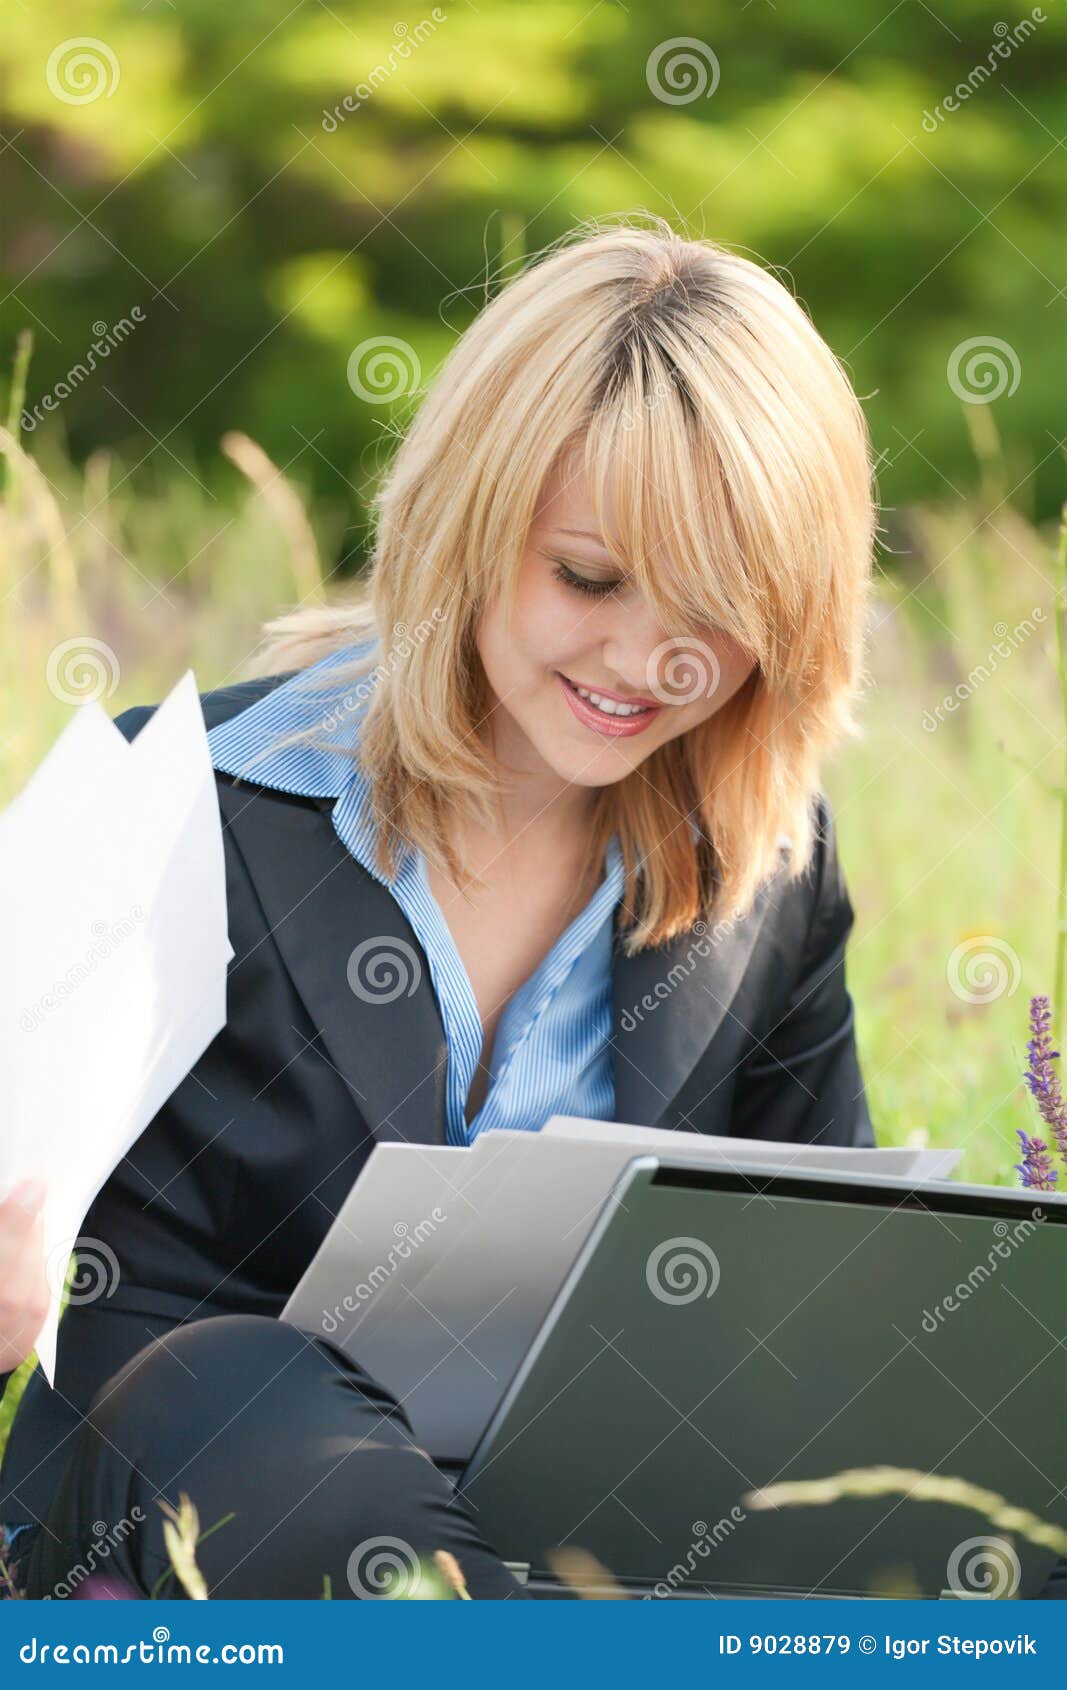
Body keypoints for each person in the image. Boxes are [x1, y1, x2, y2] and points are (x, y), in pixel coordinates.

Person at [0, 214, 906, 1599]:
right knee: (244, 1391)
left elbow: (818, 1296)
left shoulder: (767, 870)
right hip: (201, 1500)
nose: (644, 660)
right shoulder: (173, 800)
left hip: (589, 1521)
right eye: (588, 579)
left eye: (716, 614)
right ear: (471, 524)